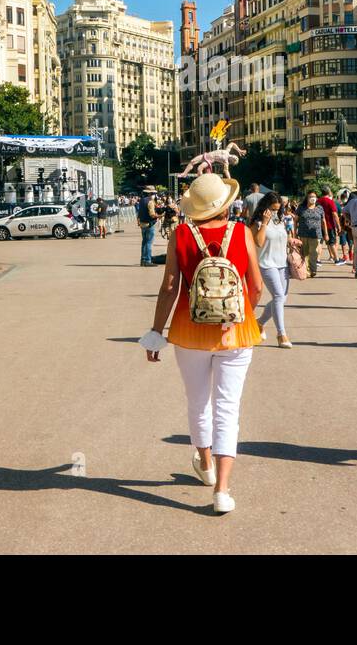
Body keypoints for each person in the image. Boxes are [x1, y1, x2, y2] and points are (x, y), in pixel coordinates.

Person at [142, 172, 264, 515]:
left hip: (188, 328)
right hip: (236, 333)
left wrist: (155, 332)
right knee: (228, 407)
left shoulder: (181, 234)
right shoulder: (241, 232)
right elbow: (255, 286)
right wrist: (240, 315)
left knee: (198, 402)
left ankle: (206, 466)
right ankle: (223, 491)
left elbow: (169, 287)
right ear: (225, 204)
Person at [251, 192, 298, 348]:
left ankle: (259, 322)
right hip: (266, 263)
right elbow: (258, 242)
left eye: (278, 209)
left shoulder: (280, 220)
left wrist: (291, 241)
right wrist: (264, 222)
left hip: (282, 263)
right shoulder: (257, 222)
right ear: (265, 207)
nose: (275, 212)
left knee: (282, 298)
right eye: (272, 209)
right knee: (278, 296)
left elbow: (281, 237)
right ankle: (281, 334)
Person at [295, 191, 328, 277]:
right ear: (307, 198)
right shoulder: (301, 207)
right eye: (310, 196)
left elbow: (323, 221)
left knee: (314, 253)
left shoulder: (319, 208)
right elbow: (295, 220)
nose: (312, 198)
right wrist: (295, 233)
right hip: (303, 234)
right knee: (305, 253)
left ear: (316, 198)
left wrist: (326, 233)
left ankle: (313, 270)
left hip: (316, 234)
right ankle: (306, 270)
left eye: (314, 196)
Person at [318, 187, 342, 265]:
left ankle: (318, 259)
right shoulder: (330, 201)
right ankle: (336, 259)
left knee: (320, 242)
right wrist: (338, 226)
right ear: (329, 192)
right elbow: (335, 214)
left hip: (319, 225)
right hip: (329, 225)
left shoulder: (318, 201)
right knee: (332, 242)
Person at [136, 186, 157, 266]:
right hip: (149, 224)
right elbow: (152, 214)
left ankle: (143, 260)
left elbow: (139, 212)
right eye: (154, 193)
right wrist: (159, 215)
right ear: (151, 193)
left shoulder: (141, 200)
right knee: (148, 242)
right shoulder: (150, 202)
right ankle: (148, 260)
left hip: (142, 223)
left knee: (144, 242)